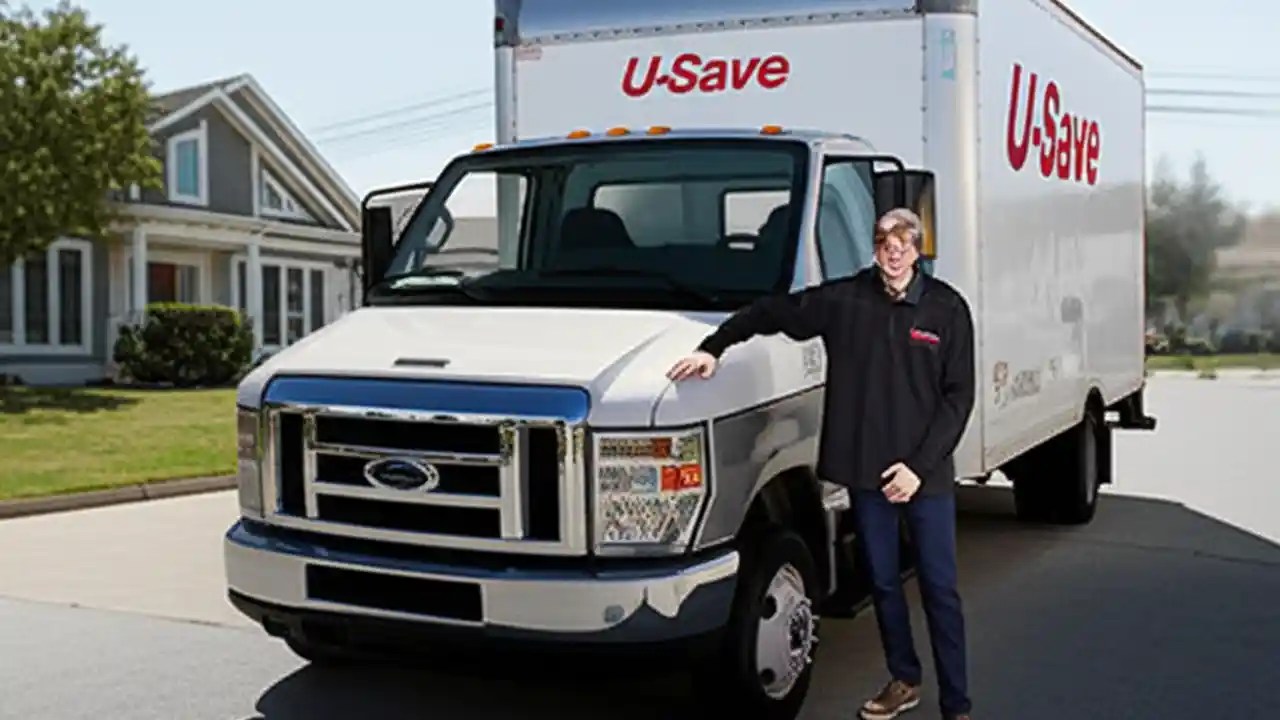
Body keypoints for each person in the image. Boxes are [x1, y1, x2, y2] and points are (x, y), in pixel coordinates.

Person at [666, 208, 976, 720]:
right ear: (873, 247)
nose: (893, 250)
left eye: (904, 241)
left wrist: (918, 468)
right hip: (868, 474)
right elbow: (771, 312)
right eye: (883, 240)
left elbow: (958, 398)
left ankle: (957, 706)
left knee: (940, 590)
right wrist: (713, 348)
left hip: (925, 477)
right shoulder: (845, 301)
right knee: (881, 583)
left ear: (919, 249)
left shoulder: (946, 309)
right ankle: (904, 680)